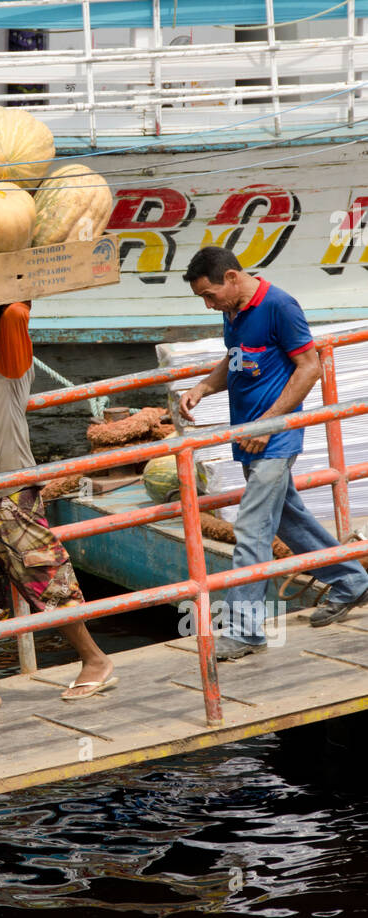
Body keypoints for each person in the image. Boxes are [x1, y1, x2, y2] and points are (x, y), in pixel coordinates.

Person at [179, 247, 368, 659]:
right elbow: (236, 361)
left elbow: (309, 367)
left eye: (210, 295)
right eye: (203, 299)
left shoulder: (280, 305)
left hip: (274, 440)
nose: (209, 305)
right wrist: (203, 388)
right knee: (289, 519)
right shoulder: (232, 312)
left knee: (251, 529)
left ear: (232, 277)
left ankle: (245, 631)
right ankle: (352, 580)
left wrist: (270, 423)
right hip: (249, 439)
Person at [0, 301, 114, 717]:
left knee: (47, 581)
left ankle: (95, 660)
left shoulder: (11, 367)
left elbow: (15, 314)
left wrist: (8, 281)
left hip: (13, 498)